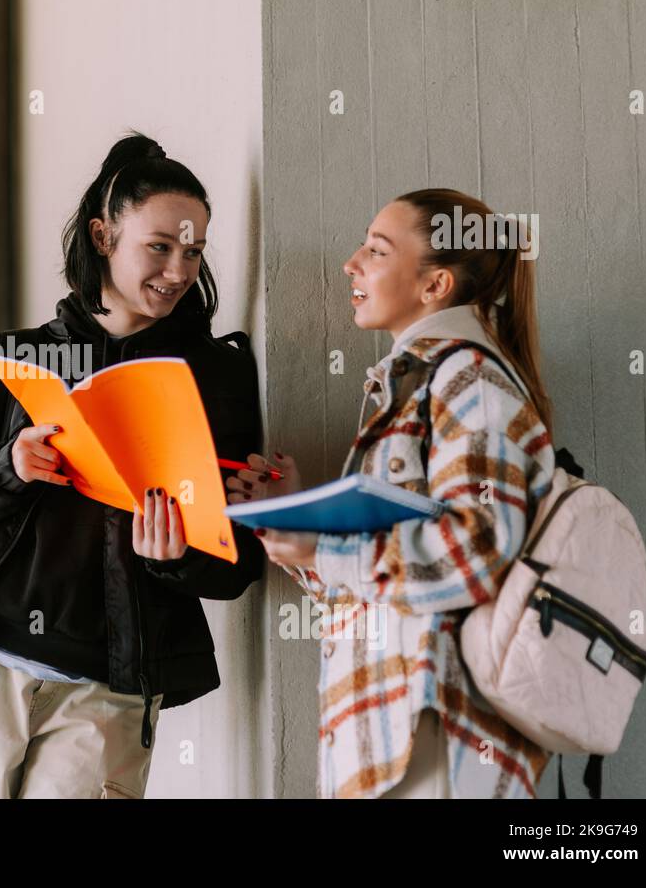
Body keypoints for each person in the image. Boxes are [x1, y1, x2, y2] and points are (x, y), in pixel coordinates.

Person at [0, 131, 263, 798]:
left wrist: (173, 554)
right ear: (102, 236)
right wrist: (5, 464)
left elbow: (238, 562)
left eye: (194, 249)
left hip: (109, 684)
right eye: (160, 246)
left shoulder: (215, 378)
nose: (179, 270)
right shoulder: (2, 362)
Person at [228, 189, 556, 798]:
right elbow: (386, 588)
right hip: (387, 743)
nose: (351, 263)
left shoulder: (468, 381)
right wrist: (303, 535)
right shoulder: (412, 386)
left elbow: (476, 550)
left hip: (436, 741)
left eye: (376, 250)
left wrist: (325, 553)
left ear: (434, 287)